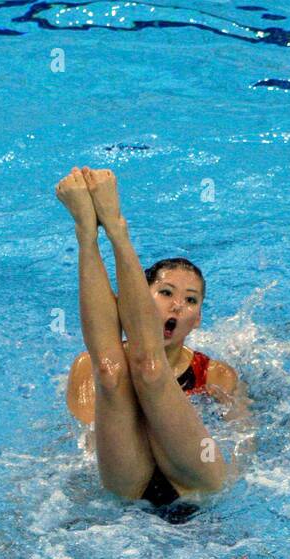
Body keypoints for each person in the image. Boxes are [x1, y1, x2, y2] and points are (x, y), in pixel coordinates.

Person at [58, 166, 243, 506]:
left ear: (198, 318)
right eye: (165, 293)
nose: (177, 307)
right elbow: (87, 445)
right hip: (127, 480)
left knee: (149, 368)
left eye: (190, 301)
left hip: (197, 483)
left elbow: (246, 450)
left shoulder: (217, 374)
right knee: (112, 372)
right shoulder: (85, 367)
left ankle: (116, 227)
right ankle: (86, 230)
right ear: (139, 299)